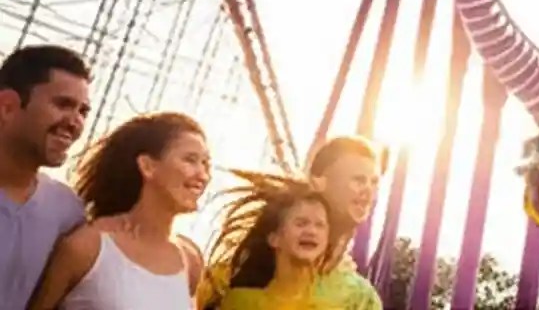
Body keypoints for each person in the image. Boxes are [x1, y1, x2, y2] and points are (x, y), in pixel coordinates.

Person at [26, 112, 210, 309]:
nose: (203, 175)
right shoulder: (87, 248)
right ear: (147, 166)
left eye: (206, 164)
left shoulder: (190, 260)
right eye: (190, 160)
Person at [198, 135, 385, 309]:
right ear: (318, 182)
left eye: (374, 182)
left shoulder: (360, 297)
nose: (368, 190)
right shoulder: (233, 276)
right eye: (358, 180)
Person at [0, 44, 92, 309]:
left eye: (83, 111)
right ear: (7, 106)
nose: (75, 122)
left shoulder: (68, 212)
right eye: (63, 104)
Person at [211, 174, 377, 309]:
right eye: (301, 223)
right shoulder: (241, 302)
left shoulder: (356, 297)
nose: (311, 231)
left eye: (320, 225)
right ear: (274, 238)